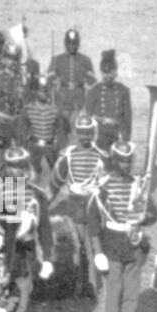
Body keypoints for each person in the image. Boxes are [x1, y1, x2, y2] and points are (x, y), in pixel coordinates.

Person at [0, 146, 53, 312]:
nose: (18, 172)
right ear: (6, 169)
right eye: (13, 167)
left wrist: (48, 258)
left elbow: (45, 229)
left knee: (23, 297)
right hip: (0, 256)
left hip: (25, 255)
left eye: (22, 167)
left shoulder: (37, 196)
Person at [86, 140, 151, 312]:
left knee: (130, 296)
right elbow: (93, 222)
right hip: (112, 245)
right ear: (113, 161)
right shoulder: (103, 187)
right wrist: (98, 252)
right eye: (121, 160)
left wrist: (143, 216)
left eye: (128, 160)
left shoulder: (139, 184)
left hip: (133, 245)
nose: (126, 164)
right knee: (114, 295)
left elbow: (153, 214)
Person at [51, 113, 108, 295]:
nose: (85, 136)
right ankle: (78, 285)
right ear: (76, 133)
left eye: (89, 132)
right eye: (82, 132)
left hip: (94, 205)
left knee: (94, 246)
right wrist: (45, 205)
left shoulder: (102, 157)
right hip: (74, 205)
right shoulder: (68, 156)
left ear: (94, 133)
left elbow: (109, 184)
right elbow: (55, 183)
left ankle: (94, 284)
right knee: (78, 246)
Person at [84, 49, 132, 151]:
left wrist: (126, 139)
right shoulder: (94, 90)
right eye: (104, 72)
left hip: (117, 134)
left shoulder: (123, 91)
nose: (107, 76)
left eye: (110, 72)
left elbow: (127, 118)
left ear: (115, 72)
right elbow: (88, 115)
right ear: (101, 72)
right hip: (99, 135)